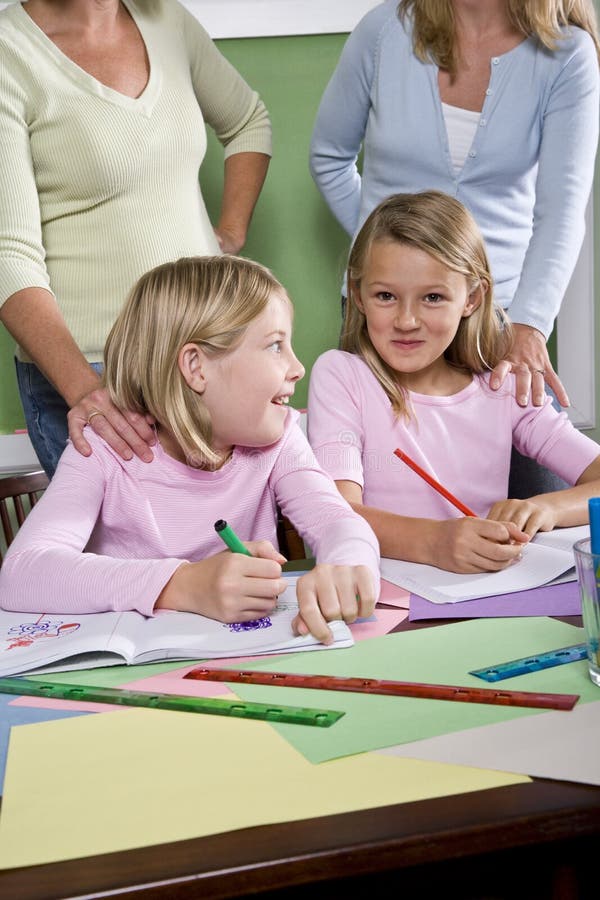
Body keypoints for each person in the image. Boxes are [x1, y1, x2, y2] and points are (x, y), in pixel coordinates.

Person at [0, 255, 379, 645]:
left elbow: (337, 520)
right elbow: (22, 573)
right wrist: (182, 584)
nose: (298, 367)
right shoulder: (104, 449)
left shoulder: (280, 435)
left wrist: (347, 564)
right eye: (275, 346)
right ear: (196, 367)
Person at [308, 0, 600, 497]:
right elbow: (329, 157)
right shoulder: (385, 32)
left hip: (504, 321)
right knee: (383, 496)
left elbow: (563, 211)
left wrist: (528, 326)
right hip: (387, 309)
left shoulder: (566, 55)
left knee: (545, 497)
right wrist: (387, 262)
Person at [0, 0, 272, 479]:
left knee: (233, 547)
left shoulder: (166, 19)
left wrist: (228, 233)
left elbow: (248, 121)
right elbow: (8, 255)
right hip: (99, 371)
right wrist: (83, 389)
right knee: (130, 554)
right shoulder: (9, 52)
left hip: (208, 353)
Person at [307, 191, 600, 574]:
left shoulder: (503, 388)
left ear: (472, 298)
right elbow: (334, 513)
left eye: (432, 297)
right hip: (383, 600)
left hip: (486, 594)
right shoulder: (342, 376)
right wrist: (435, 542)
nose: (406, 321)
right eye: (385, 296)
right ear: (359, 295)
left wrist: (547, 507)